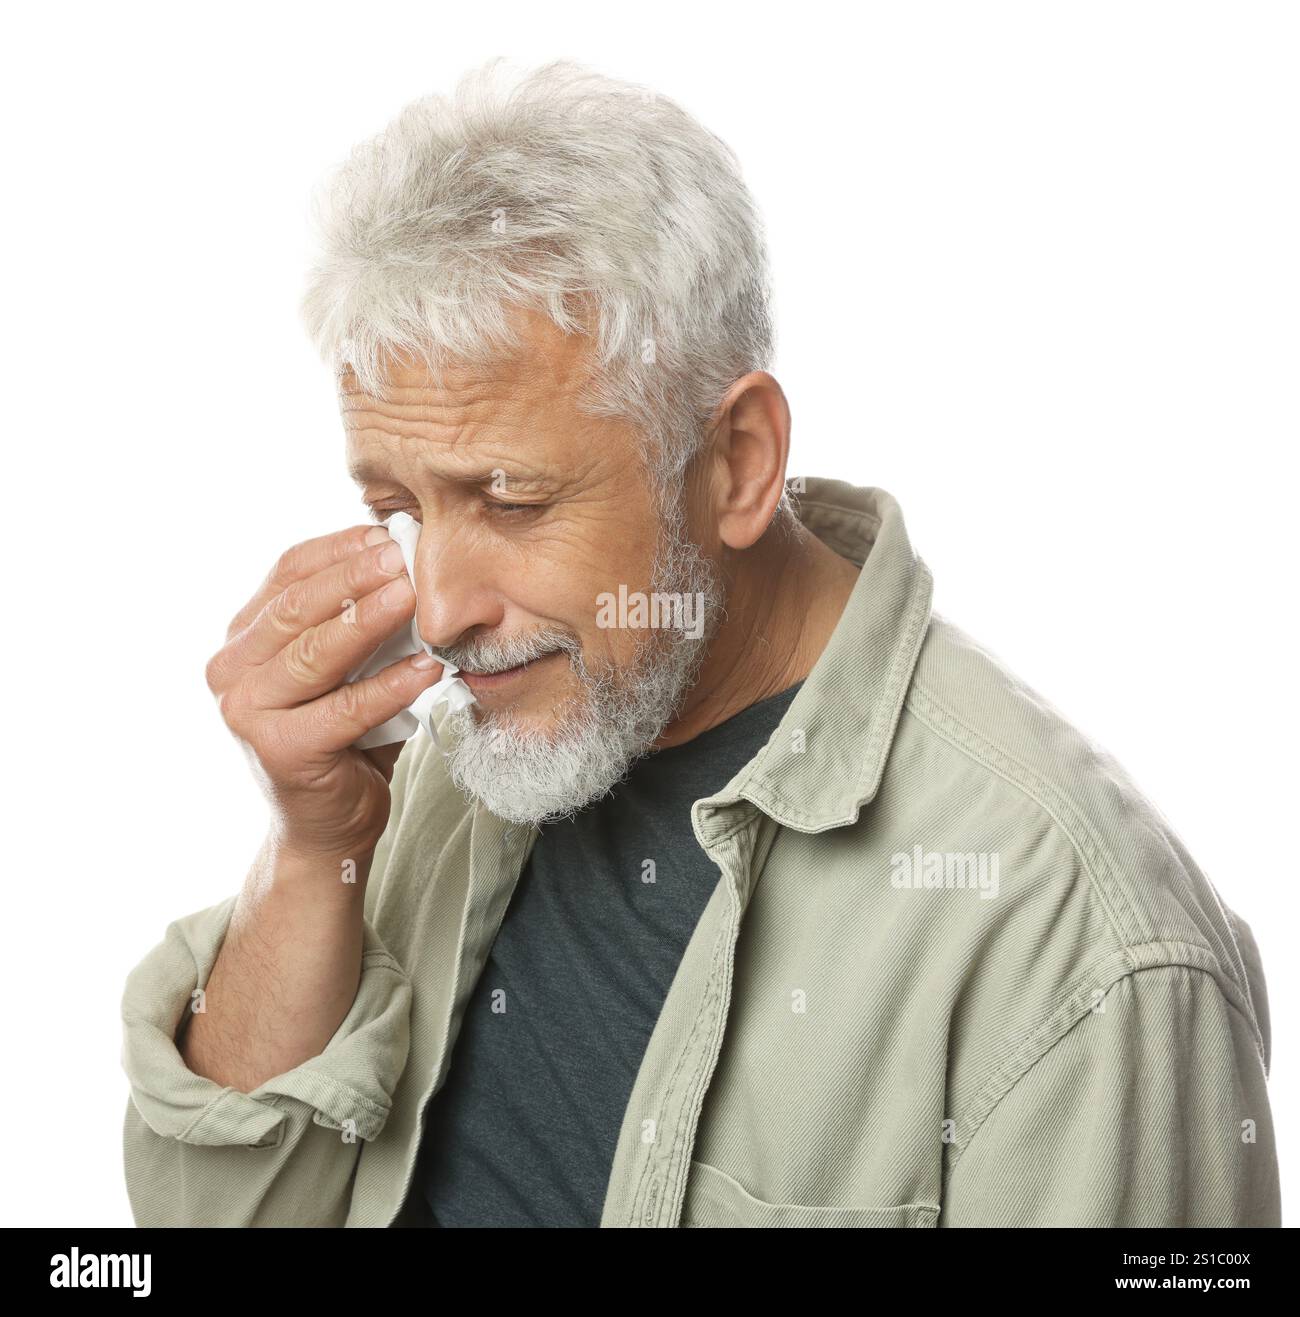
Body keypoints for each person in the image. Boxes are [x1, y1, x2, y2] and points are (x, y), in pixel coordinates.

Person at [120, 58, 1280, 1228]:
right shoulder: (474, 744)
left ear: (736, 462)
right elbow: (208, 1222)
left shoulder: (1083, 950)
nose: (437, 611)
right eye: (401, 510)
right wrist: (317, 850)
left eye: (511, 500)